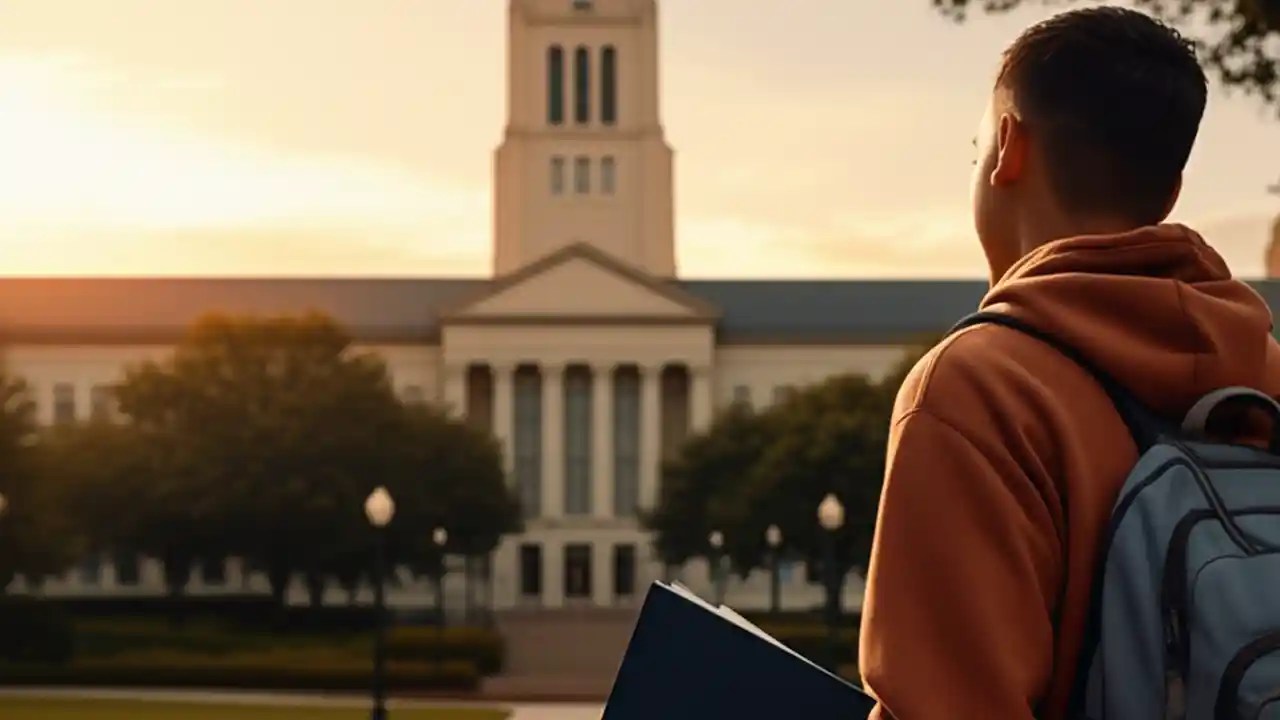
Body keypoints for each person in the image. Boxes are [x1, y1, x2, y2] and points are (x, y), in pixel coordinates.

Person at [857, 6, 1280, 719]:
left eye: (976, 147)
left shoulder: (979, 388)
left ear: (1007, 149)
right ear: (1170, 193)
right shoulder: (1264, 374)